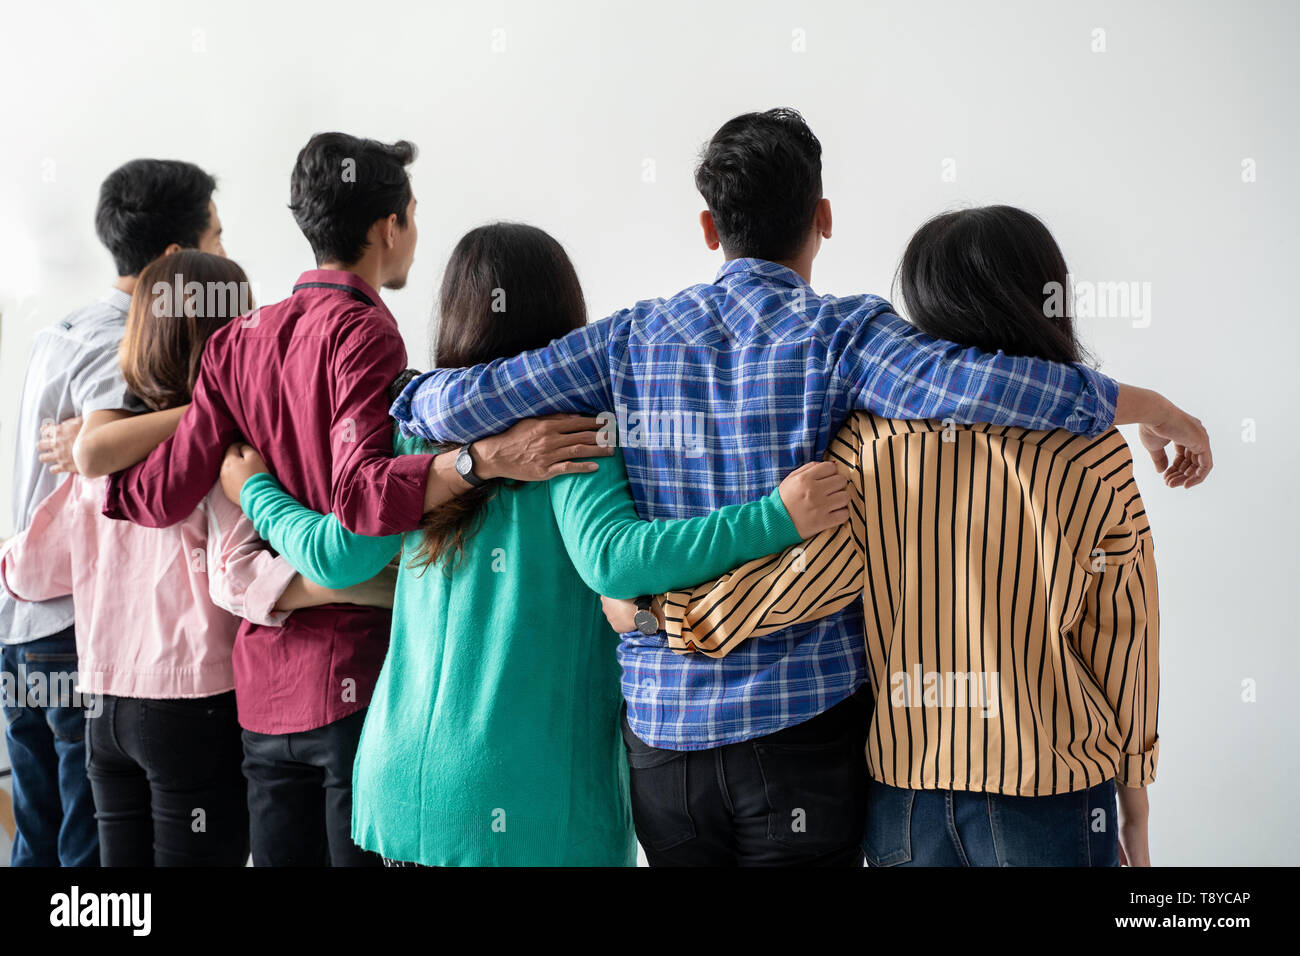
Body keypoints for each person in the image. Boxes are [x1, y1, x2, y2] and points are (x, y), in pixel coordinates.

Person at [389, 109, 1209, 866]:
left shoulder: (623, 341)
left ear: (709, 228)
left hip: (666, 748)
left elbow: (442, 402)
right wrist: (1146, 408)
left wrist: (446, 427)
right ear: (823, 217)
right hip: (810, 740)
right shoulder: (850, 334)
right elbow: (988, 390)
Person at [217, 222, 852, 866]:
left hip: (401, 787)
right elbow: (616, 560)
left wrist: (254, 491)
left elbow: (336, 554)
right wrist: (775, 516)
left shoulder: (418, 435)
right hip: (528, 806)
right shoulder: (573, 437)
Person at [98, 135, 613, 865]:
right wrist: (478, 460)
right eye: (411, 215)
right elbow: (363, 504)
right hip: (358, 682)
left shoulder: (236, 342)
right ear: (388, 228)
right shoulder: (369, 335)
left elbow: (163, 493)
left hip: (264, 688)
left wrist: (105, 470)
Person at [632, 205, 1160, 866]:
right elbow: (1122, 634)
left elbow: (804, 583)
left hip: (906, 799)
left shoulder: (867, 444)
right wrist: (1134, 791)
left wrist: (664, 617)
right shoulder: (1093, 452)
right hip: (1051, 787)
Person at [1, 251, 394, 865]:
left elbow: (26, 572)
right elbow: (238, 577)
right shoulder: (220, 455)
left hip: (104, 711)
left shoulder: (98, 459)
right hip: (192, 707)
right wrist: (361, 581)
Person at [2, 158, 223, 867]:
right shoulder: (118, 343)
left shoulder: (64, 329)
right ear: (172, 260)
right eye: (214, 239)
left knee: (39, 840)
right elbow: (98, 451)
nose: (223, 254)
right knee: (86, 854)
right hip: (76, 631)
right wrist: (218, 407)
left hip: (23, 626)